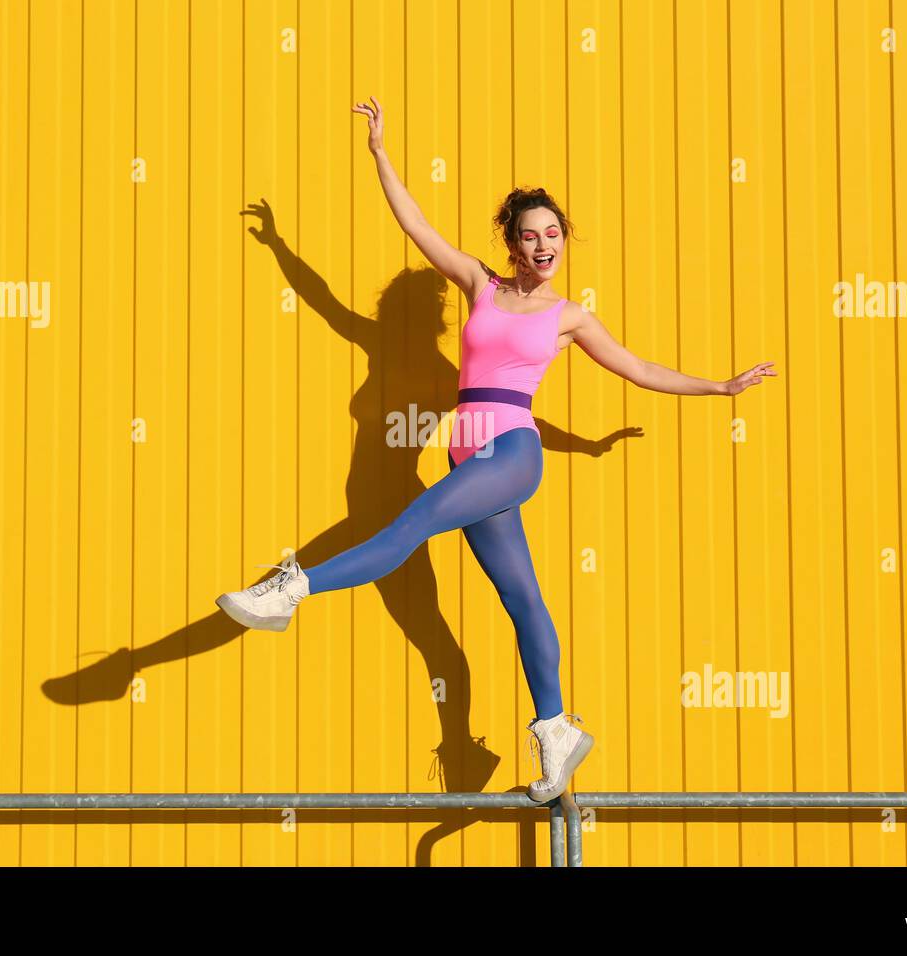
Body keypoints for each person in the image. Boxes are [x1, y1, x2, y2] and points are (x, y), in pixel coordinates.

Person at [217, 95, 776, 804]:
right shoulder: (480, 285)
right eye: (531, 236)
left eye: (554, 234)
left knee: (409, 526)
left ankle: (291, 589)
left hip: (511, 449)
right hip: (465, 455)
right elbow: (412, 229)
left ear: (564, 239)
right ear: (512, 245)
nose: (544, 245)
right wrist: (380, 156)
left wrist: (721, 388)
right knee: (522, 599)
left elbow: (640, 370)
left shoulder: (570, 318)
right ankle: (556, 727)